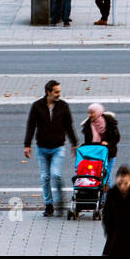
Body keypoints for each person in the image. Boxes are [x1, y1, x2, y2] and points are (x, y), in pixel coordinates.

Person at [24, 80, 79, 216]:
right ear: (48, 92)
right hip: (42, 148)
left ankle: (60, 201)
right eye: (56, 92)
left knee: (56, 174)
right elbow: (31, 126)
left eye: (59, 91)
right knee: (45, 177)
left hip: (58, 147)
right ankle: (49, 205)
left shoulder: (63, 106)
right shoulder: (37, 106)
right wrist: (27, 145)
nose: (58, 94)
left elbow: (68, 126)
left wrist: (74, 143)